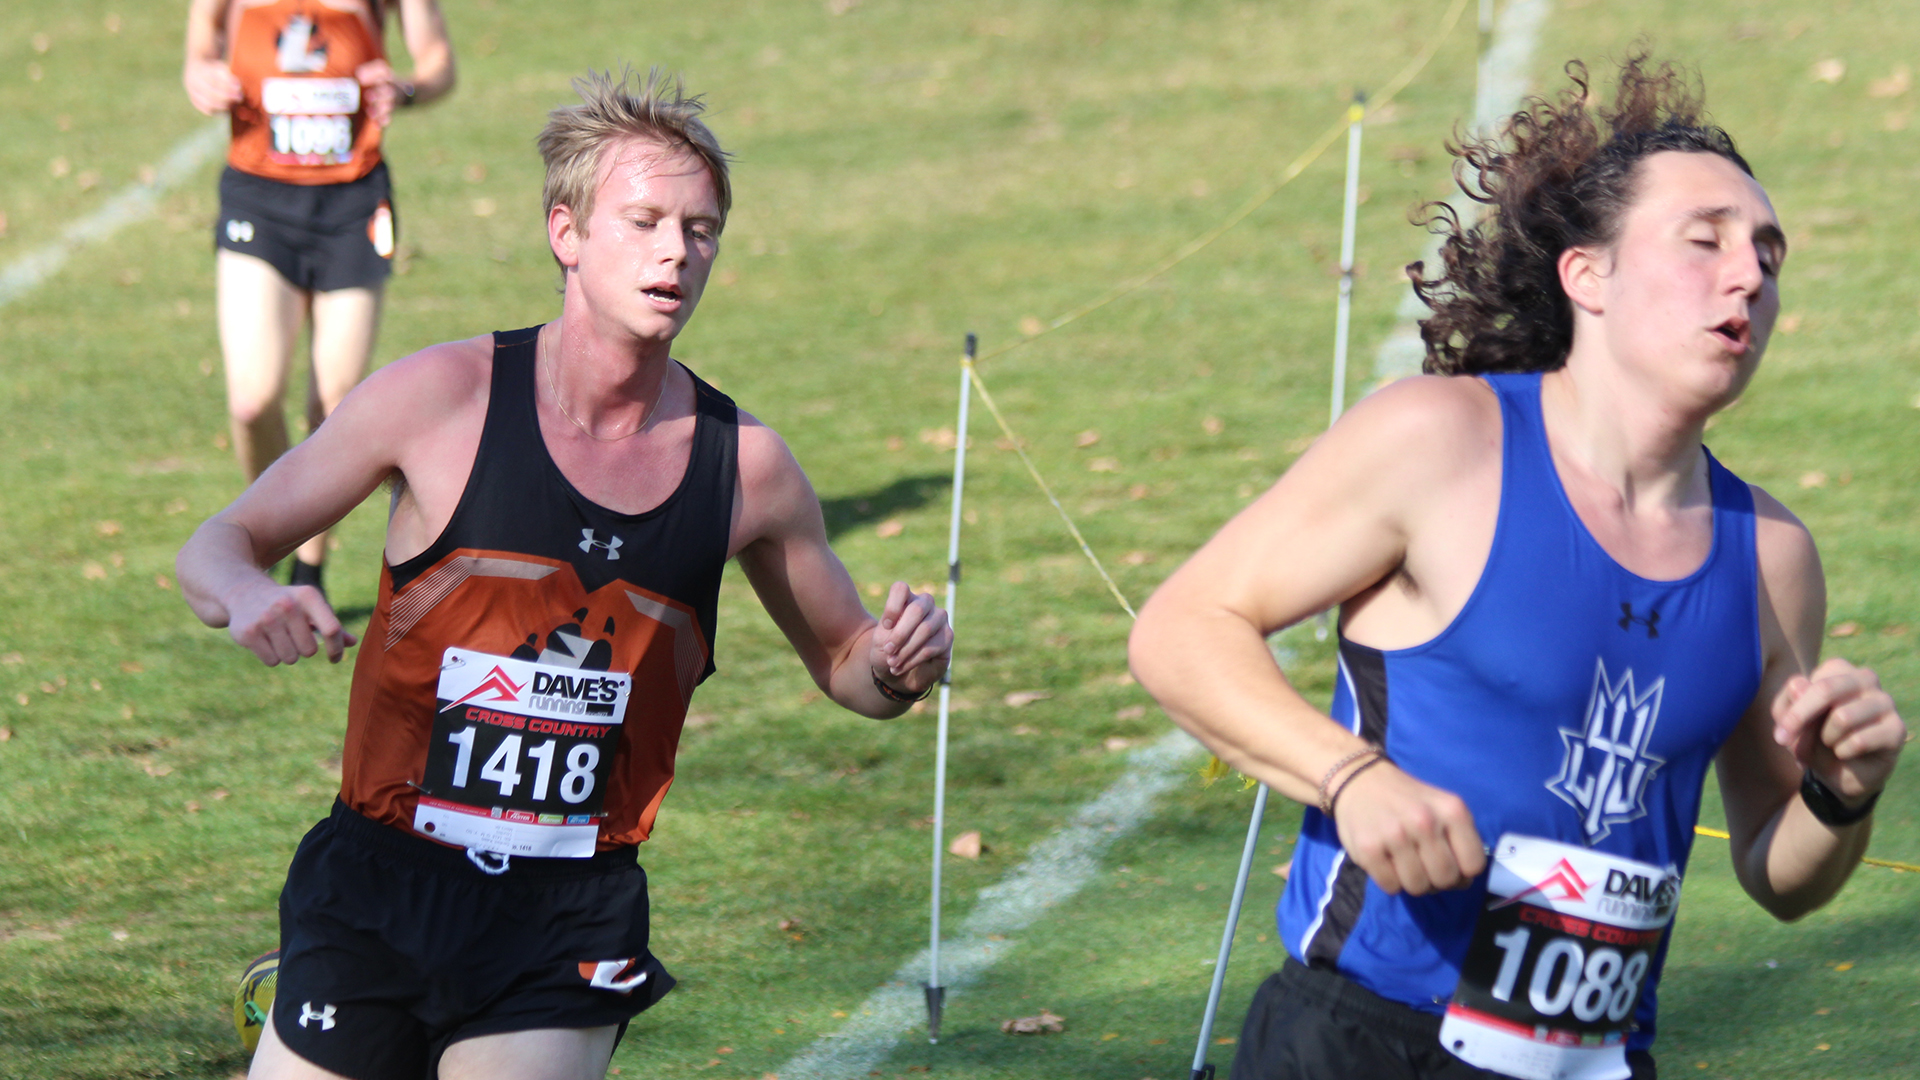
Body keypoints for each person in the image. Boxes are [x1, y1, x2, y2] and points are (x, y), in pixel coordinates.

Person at [1129, 55, 1904, 1080]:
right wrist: (1351, 778)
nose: (1749, 276)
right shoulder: (1441, 444)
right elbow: (1183, 628)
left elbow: (1782, 875)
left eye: (1768, 252)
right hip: (1362, 1042)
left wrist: (1841, 797)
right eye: (1704, 242)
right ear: (1588, 276)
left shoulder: (1770, 554)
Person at [176, 68, 954, 1080]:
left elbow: (849, 660)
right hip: (376, 884)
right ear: (567, 233)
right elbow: (216, 544)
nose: (677, 251)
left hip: (564, 911)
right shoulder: (439, 398)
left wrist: (898, 663)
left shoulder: (747, 469)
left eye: (702, 228)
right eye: (644, 220)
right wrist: (252, 596)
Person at [183, 0, 456, 596]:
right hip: (259, 200)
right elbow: (199, 45)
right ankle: (266, 532)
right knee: (253, 401)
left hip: (351, 206)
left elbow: (438, 63)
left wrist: (405, 89)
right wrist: (200, 73)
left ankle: (310, 563)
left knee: (332, 405)